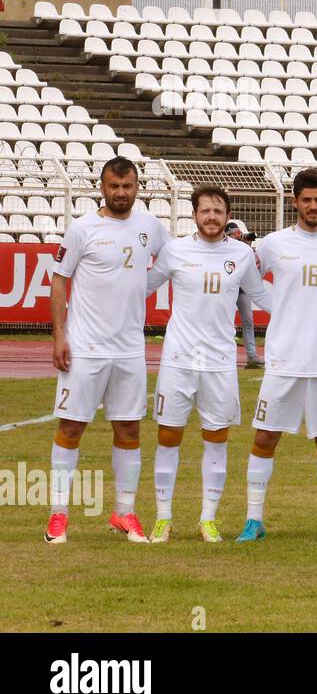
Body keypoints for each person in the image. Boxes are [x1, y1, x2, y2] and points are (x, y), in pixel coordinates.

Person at [45, 156, 172, 544]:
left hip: (130, 349)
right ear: (102, 187)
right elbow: (59, 281)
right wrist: (59, 335)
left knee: (129, 428)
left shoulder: (151, 227)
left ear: (137, 187)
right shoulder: (82, 228)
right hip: (84, 347)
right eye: (114, 186)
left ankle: (124, 512)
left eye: (127, 186)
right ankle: (58, 516)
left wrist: (143, 289)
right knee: (71, 427)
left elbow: (170, 265)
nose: (121, 193)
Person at [236, 168, 317, 545]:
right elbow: (248, 278)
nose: (312, 206)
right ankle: (254, 520)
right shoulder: (273, 244)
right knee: (265, 436)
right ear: (295, 202)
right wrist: (279, 305)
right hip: (285, 358)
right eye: (305, 200)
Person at [145, 186, 273, 543]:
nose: (212, 216)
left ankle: (208, 519)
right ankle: (163, 518)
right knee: (168, 437)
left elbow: (260, 294)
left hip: (219, 362)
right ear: (194, 214)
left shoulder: (242, 254)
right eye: (205, 210)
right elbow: (144, 286)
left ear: (227, 214)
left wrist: (304, 309)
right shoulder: (174, 251)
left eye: (218, 210)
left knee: (216, 440)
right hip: (179, 360)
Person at [224, 219, 263, 368]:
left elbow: (255, 265)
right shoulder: (224, 247)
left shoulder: (244, 249)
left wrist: (247, 246)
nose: (237, 235)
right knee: (224, 321)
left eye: (238, 233)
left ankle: (252, 356)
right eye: (233, 234)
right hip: (228, 289)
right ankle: (223, 355)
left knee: (248, 322)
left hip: (243, 289)